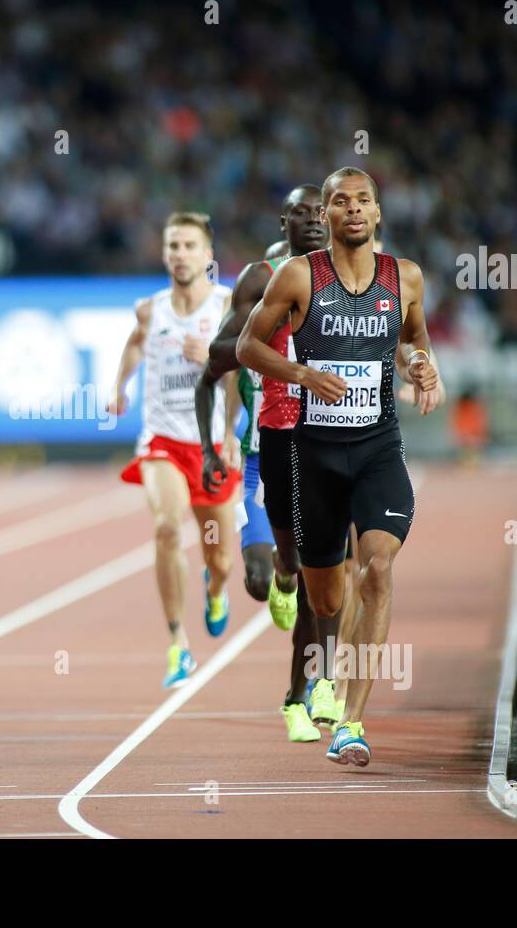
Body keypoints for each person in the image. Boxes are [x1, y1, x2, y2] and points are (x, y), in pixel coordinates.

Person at [237, 167, 442, 766]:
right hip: (314, 456)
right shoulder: (299, 276)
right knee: (326, 598)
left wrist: (423, 365)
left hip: (378, 449)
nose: (353, 210)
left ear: (378, 214)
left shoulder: (404, 276)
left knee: (377, 570)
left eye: (364, 201)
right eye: (340, 203)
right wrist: (302, 374)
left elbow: (413, 339)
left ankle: (351, 723)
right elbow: (249, 347)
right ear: (325, 216)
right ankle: (321, 672)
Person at [193, 184, 336, 742]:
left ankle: (308, 692)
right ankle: (278, 571)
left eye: (322, 211)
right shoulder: (260, 279)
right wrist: (267, 343)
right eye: (302, 212)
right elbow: (216, 361)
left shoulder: (349, 276)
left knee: (328, 579)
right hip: (262, 453)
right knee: (263, 580)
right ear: (284, 222)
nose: (315, 220)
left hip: (327, 447)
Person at [109, 211, 241, 689]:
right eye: (173, 246)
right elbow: (134, 344)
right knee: (167, 527)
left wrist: (229, 434)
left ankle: (217, 589)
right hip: (162, 439)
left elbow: (238, 375)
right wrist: (118, 385)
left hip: (209, 445)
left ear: (208, 256)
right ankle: (177, 645)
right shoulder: (150, 308)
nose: (179, 255)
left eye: (189, 246)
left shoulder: (229, 305)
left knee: (221, 559)